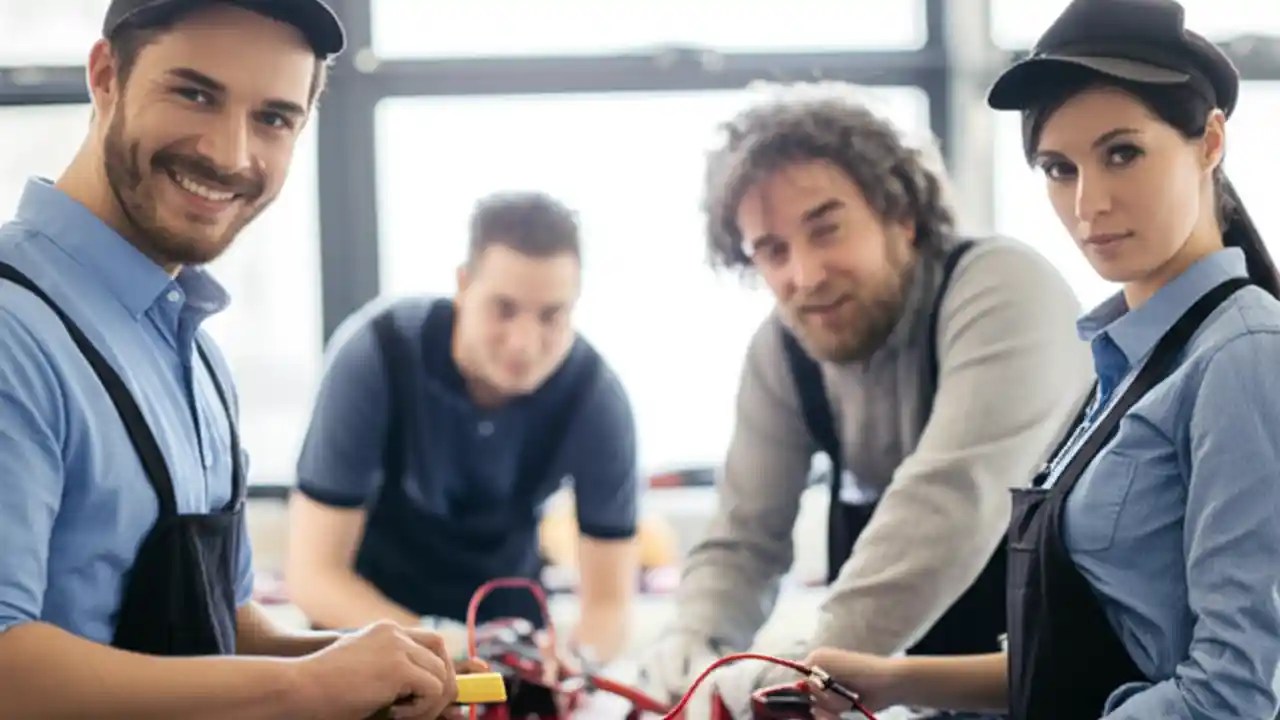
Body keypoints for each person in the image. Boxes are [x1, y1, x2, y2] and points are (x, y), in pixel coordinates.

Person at [0, 2, 486, 718]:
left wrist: (361, 660)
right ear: (106, 77)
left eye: (275, 119)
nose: (230, 154)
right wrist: (305, 686)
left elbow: (215, 626)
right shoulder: (14, 331)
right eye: (195, 93)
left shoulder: (192, 348)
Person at [804, 2, 1280, 719]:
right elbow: (1081, 662)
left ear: (1210, 141)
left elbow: (1233, 695)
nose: (1089, 202)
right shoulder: (1124, 363)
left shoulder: (1242, 357)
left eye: (1123, 153)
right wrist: (892, 678)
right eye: (1059, 168)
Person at [636, 81, 1094, 718]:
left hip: (1073, 695)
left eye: (827, 230)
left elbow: (949, 499)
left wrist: (797, 674)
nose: (805, 275)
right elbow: (744, 539)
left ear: (901, 215)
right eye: (772, 251)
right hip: (921, 702)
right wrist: (688, 655)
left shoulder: (1004, 289)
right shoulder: (783, 349)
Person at [285, 191, 640, 663]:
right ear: (463, 284)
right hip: (366, 630)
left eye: (552, 315)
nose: (524, 344)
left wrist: (576, 660)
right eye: (504, 309)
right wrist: (442, 648)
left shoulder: (596, 396)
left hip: (508, 634)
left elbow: (610, 605)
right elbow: (314, 575)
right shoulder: (378, 353)